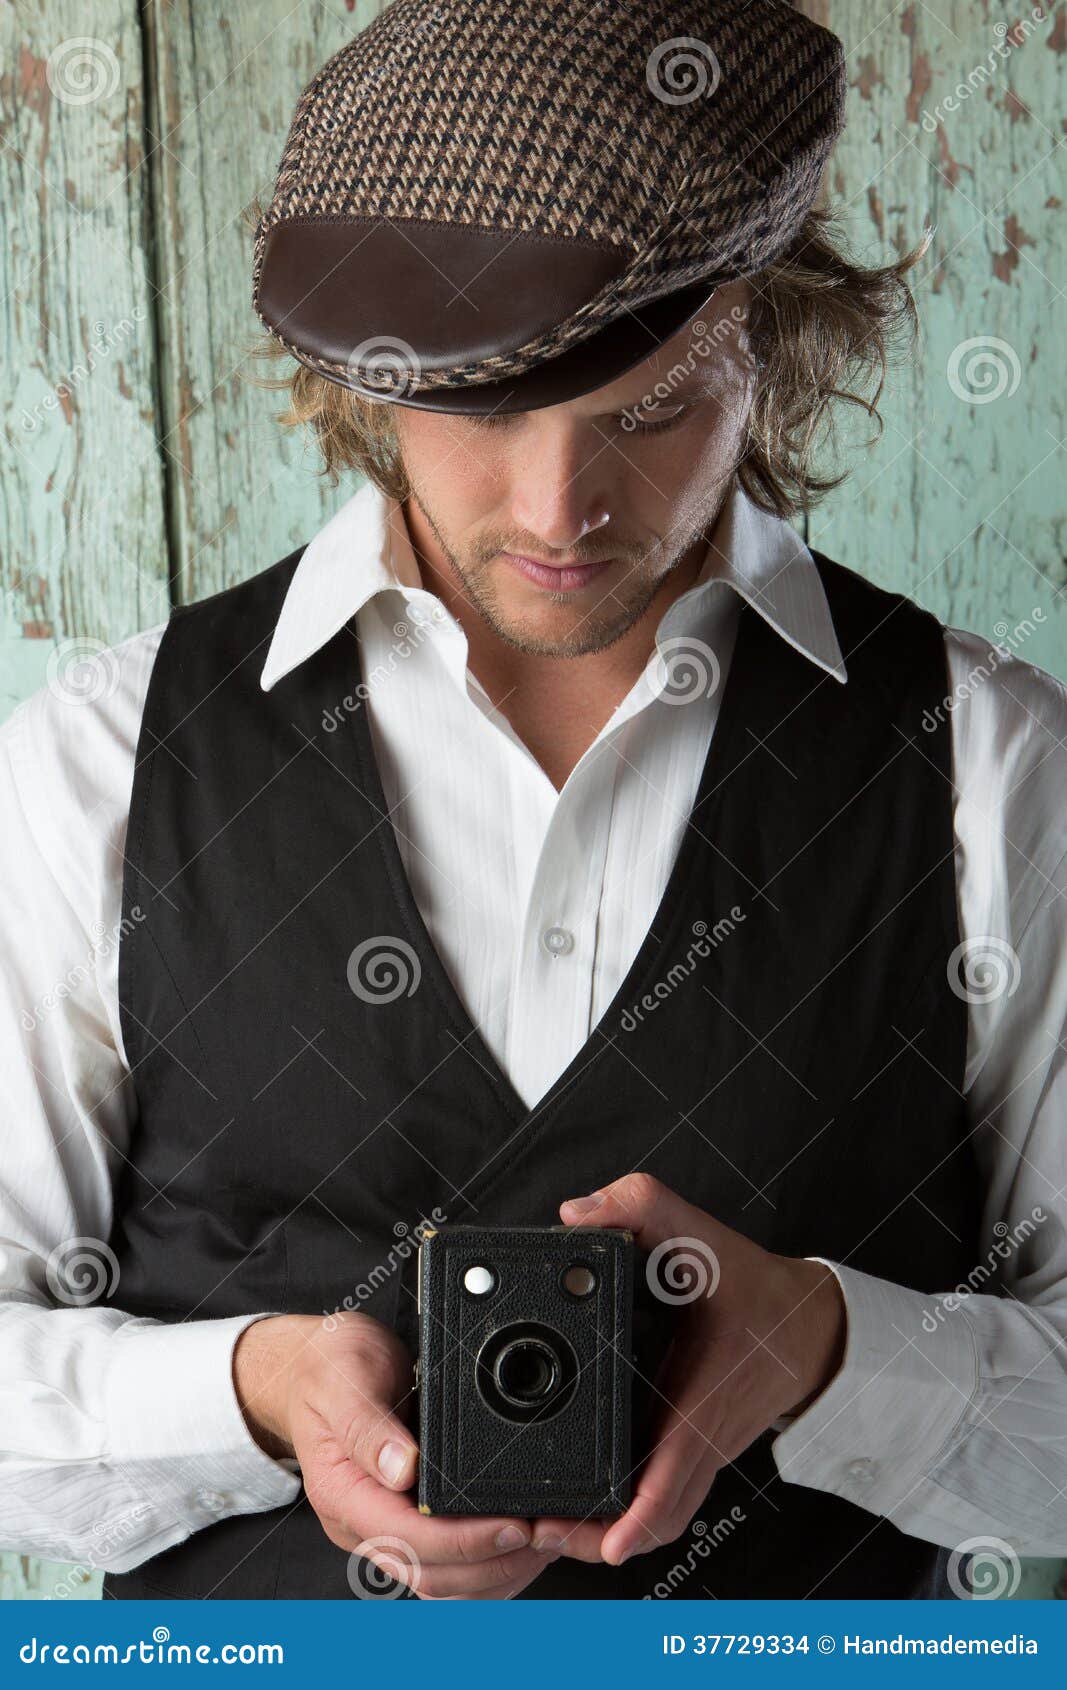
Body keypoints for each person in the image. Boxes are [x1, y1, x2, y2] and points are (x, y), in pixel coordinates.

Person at [1, 0, 1065, 1603]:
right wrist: (252, 1394)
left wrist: (830, 1347)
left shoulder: (991, 764)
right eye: (485, 407)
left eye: (651, 409)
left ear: (771, 337)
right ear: (366, 382)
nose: (562, 508)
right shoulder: (98, 762)